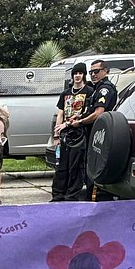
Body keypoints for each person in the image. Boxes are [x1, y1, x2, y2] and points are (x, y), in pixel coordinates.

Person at [68, 59, 118, 201]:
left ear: (106, 71)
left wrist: (80, 122)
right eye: (91, 72)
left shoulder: (105, 89)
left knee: (95, 173)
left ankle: (96, 201)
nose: (93, 75)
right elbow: (91, 110)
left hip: (99, 136)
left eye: (96, 71)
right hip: (92, 134)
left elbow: (98, 113)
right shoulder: (96, 87)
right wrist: (79, 116)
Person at [51, 63, 94, 202]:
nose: (77, 76)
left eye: (80, 73)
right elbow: (60, 114)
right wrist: (57, 134)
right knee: (61, 166)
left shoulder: (89, 91)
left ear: (84, 75)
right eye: (75, 73)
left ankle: (72, 195)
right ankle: (58, 194)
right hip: (65, 134)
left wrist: (70, 123)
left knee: (76, 166)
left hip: (80, 133)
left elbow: (89, 112)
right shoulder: (65, 93)